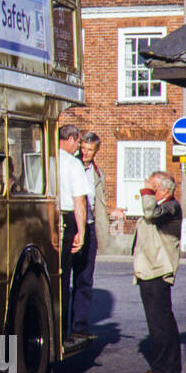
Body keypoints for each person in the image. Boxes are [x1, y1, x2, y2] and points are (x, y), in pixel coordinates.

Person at [133, 171, 182, 373]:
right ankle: (169, 368)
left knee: (159, 323)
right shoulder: (166, 206)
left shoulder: (171, 206)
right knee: (163, 321)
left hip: (157, 271)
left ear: (163, 189)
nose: (148, 189)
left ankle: (163, 369)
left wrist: (146, 192)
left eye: (152, 187)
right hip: (151, 269)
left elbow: (151, 213)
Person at [57, 124, 93, 343]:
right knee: (64, 278)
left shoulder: (44, 158)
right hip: (66, 220)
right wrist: (81, 231)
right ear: (71, 138)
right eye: (79, 142)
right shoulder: (73, 163)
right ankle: (62, 333)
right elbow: (79, 200)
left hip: (43, 217)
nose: (80, 147)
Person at [81, 131, 125, 253]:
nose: (85, 153)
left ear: (96, 151)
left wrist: (112, 210)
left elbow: (98, 204)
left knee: (87, 269)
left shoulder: (99, 174)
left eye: (89, 150)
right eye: (83, 148)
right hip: (73, 225)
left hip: (90, 226)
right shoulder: (73, 168)